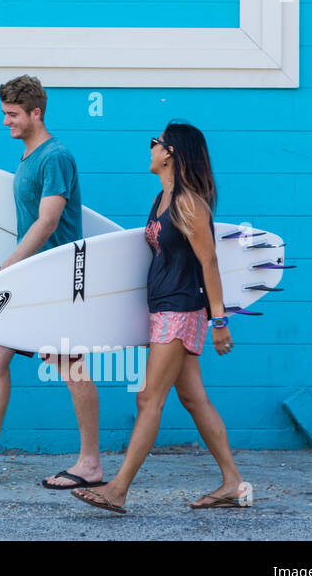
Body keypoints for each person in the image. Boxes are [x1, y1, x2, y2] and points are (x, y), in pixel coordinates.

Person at [0, 75, 105, 489]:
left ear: (35, 113)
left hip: (58, 277)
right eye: (4, 114)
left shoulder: (55, 156)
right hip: (32, 277)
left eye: (12, 115)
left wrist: (6, 269)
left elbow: (48, 223)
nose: (6, 122)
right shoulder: (31, 157)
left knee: (69, 364)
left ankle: (91, 465)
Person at [72, 121, 251, 513]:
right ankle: (234, 483)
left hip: (181, 309)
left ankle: (118, 488)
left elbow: (209, 262)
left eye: (154, 143)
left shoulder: (189, 203)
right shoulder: (161, 199)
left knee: (148, 398)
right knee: (193, 397)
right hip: (163, 307)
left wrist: (219, 322)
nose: (150, 148)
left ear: (169, 152)